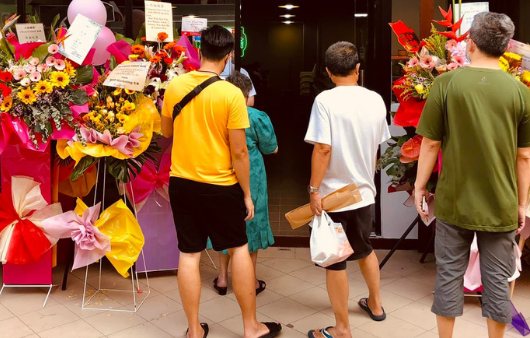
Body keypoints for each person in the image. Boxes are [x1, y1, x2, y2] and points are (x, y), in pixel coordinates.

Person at [412, 12, 530, 338]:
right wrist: (521, 204)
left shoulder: (446, 83)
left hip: (454, 200)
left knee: (448, 275)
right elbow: (524, 156)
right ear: (505, 47)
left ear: (471, 43)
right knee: (498, 280)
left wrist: (420, 187)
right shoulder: (520, 91)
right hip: (501, 203)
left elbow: (431, 143)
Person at [163, 25, 281, 338]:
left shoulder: (175, 86)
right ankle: (251, 327)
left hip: (182, 182)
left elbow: (167, 132)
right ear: (228, 55)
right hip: (221, 184)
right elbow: (240, 152)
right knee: (239, 249)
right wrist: (247, 194)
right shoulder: (231, 94)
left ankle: (194, 330)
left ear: (199, 51)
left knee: (189, 254)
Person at [304, 42, 391, 338]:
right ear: (358, 69)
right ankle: (375, 304)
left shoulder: (325, 101)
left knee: (335, 260)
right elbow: (376, 147)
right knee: (365, 249)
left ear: (328, 72)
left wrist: (314, 189)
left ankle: (342, 329)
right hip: (363, 192)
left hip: (334, 196)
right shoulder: (375, 99)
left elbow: (323, 148)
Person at [211, 71, 277, 297]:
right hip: (252, 173)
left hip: (222, 171)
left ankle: (222, 279)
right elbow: (271, 148)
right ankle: (250, 280)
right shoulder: (256, 117)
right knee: (252, 222)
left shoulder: (217, 114)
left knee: (224, 222)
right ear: (248, 94)